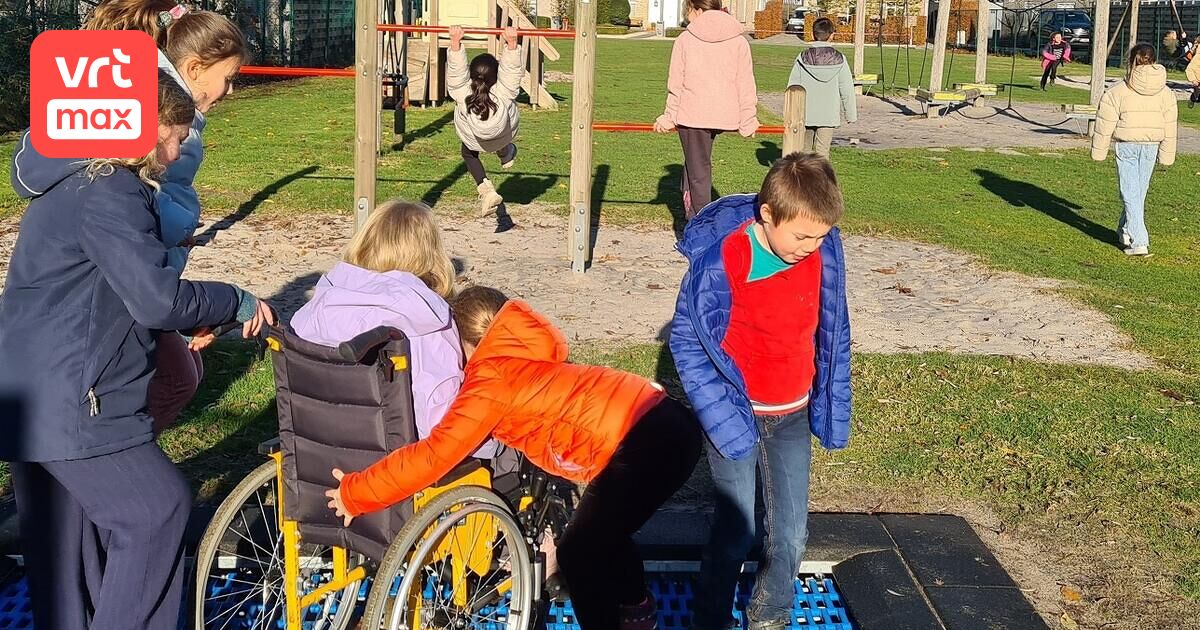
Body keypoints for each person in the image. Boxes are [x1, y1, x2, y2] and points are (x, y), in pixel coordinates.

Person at [0, 72, 274, 630]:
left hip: (31, 392)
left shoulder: (73, 180)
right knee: (157, 508)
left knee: (64, 556)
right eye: (173, 137)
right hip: (75, 400)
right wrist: (235, 301)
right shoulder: (112, 190)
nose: (175, 154)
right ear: (145, 129)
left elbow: (99, 293)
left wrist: (188, 317)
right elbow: (154, 298)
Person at [325, 286, 703, 630]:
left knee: (579, 551)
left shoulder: (491, 380)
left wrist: (356, 493)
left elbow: (434, 455)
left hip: (647, 441)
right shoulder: (522, 353)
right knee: (606, 529)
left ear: (466, 344)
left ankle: (620, 618)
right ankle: (637, 612)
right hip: (665, 422)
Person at [669, 153, 852, 630]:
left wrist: (830, 397)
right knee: (736, 530)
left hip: (792, 414)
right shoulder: (726, 259)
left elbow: (835, 328)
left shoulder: (824, 252)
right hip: (736, 413)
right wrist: (717, 413)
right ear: (768, 216)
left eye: (821, 236)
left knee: (791, 534)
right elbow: (689, 340)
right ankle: (709, 618)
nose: (810, 247)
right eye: (801, 237)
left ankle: (770, 613)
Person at [73, 0, 247, 434]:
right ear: (192, 68)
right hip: (138, 267)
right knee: (173, 376)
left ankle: (113, 461)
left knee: (179, 374)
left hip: (149, 265)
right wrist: (179, 231)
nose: (230, 90)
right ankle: (112, 461)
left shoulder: (175, 112)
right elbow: (145, 195)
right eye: (227, 78)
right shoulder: (170, 121)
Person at [290, 200, 497, 457]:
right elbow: (440, 425)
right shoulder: (427, 320)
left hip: (317, 457)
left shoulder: (321, 305)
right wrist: (493, 441)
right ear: (430, 253)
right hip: (400, 468)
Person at [653, 0, 758, 219]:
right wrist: (748, 118)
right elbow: (745, 82)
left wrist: (669, 117)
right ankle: (691, 208)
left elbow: (677, 84)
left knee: (698, 170)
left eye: (688, 12)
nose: (687, 17)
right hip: (726, 112)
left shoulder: (685, 39)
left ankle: (702, 225)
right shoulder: (739, 41)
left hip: (693, 114)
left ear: (696, 9)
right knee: (694, 165)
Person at [1092, 43, 1177, 257]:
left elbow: (1104, 122)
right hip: (1151, 145)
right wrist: (1166, 154)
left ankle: (1139, 241)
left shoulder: (1118, 90)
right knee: (1137, 192)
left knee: (1131, 192)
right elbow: (1170, 125)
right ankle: (1124, 230)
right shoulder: (1166, 92)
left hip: (1127, 144)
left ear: (1131, 61)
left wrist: (1099, 150)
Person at [447, 24, 524, 216]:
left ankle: (486, 189)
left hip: (475, 140)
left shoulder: (462, 92)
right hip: (504, 136)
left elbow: (456, 73)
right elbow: (512, 71)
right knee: (498, 131)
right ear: (496, 76)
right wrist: (512, 43)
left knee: (468, 153)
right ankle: (505, 153)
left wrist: (455, 42)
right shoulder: (504, 91)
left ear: (471, 75)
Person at [787, 17, 856, 157]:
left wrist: (790, 114)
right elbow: (847, 89)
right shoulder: (840, 59)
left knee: (804, 153)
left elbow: (793, 88)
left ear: (813, 34)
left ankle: (804, 178)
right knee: (822, 153)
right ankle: (821, 178)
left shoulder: (802, 57)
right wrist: (851, 114)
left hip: (805, 113)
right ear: (832, 35)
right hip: (828, 114)